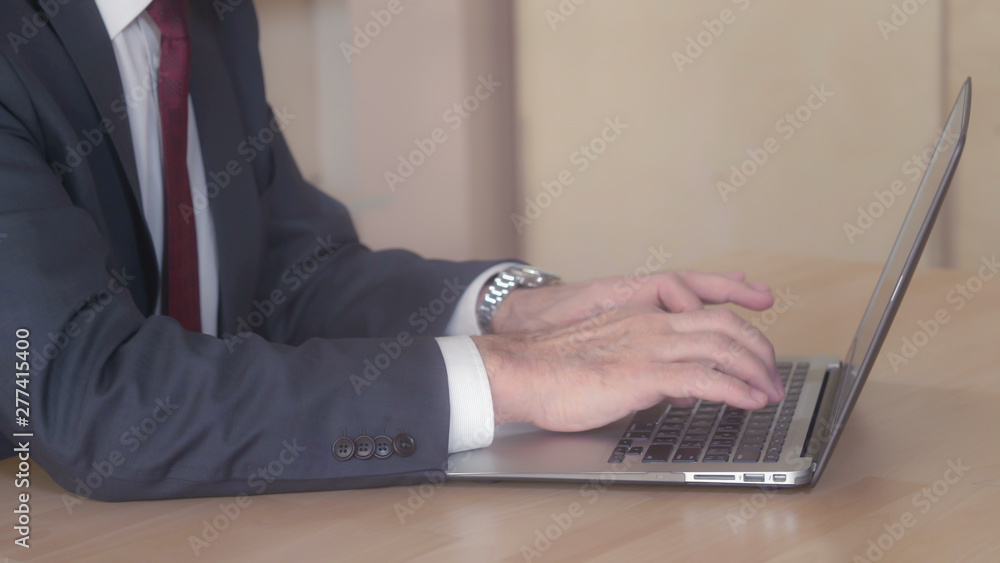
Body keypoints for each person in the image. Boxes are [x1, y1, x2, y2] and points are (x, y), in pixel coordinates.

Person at [0, 0, 783, 501]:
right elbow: (92, 400)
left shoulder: (209, 17)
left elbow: (290, 275)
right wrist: (519, 377)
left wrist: (514, 307)